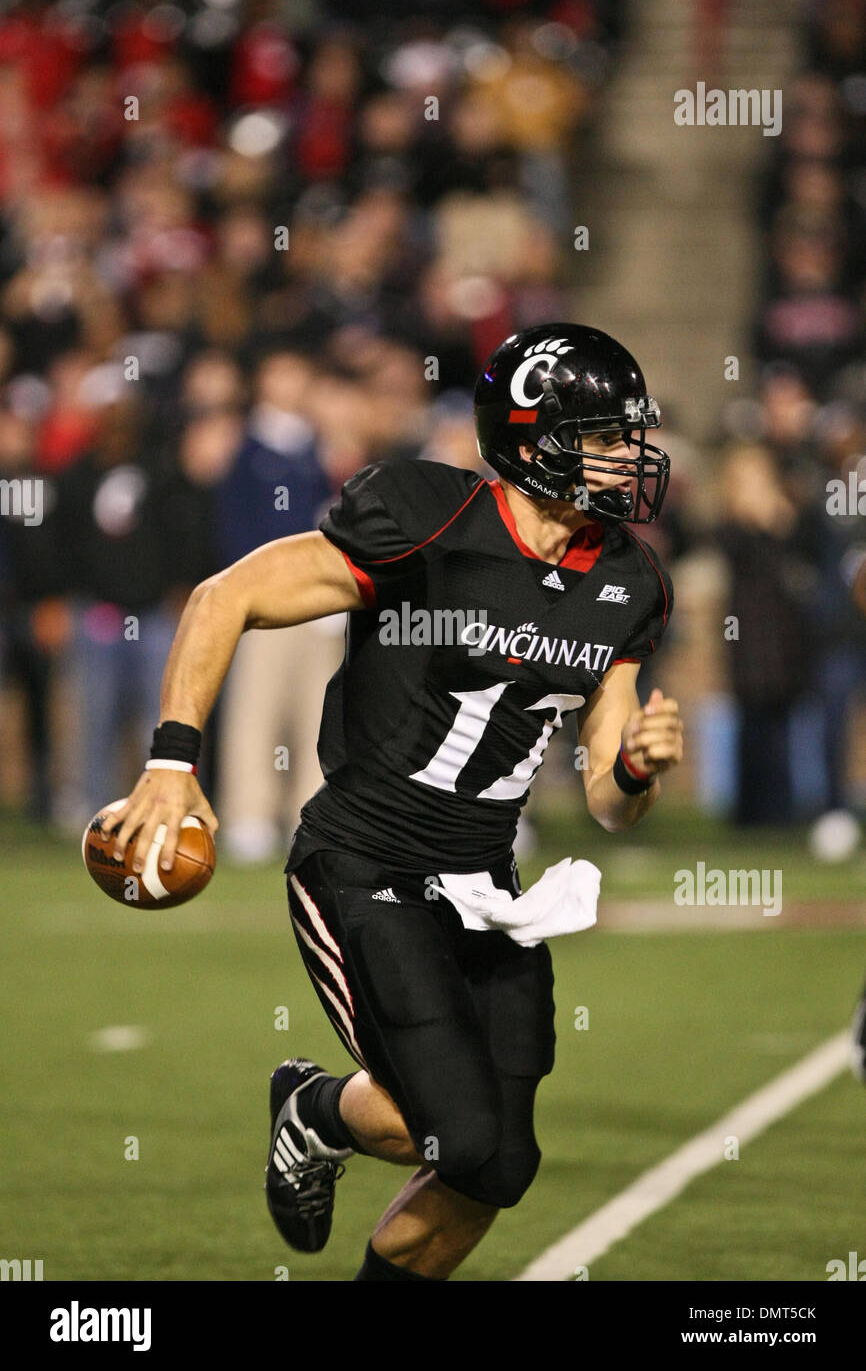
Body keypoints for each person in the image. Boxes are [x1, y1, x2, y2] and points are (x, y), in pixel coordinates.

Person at [101, 323, 684, 1282]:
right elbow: (225, 596)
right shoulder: (430, 517)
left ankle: (321, 1122)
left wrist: (636, 769)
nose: (628, 459)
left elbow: (609, 798)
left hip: (487, 883)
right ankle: (320, 1110)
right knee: (448, 1129)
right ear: (534, 439)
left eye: (629, 437)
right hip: (365, 862)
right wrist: (173, 762)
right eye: (605, 437)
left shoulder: (628, 581)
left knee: (497, 1166)